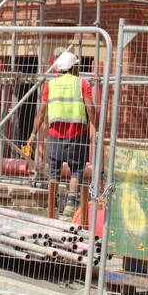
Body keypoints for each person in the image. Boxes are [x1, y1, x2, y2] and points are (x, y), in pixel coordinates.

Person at [25, 50, 96, 218]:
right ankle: (70, 204)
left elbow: (41, 113)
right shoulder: (83, 84)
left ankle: (52, 204)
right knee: (77, 170)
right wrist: (97, 128)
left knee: (54, 171)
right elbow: (90, 109)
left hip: (54, 135)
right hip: (77, 135)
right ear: (74, 67)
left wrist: (33, 136)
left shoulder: (51, 85)